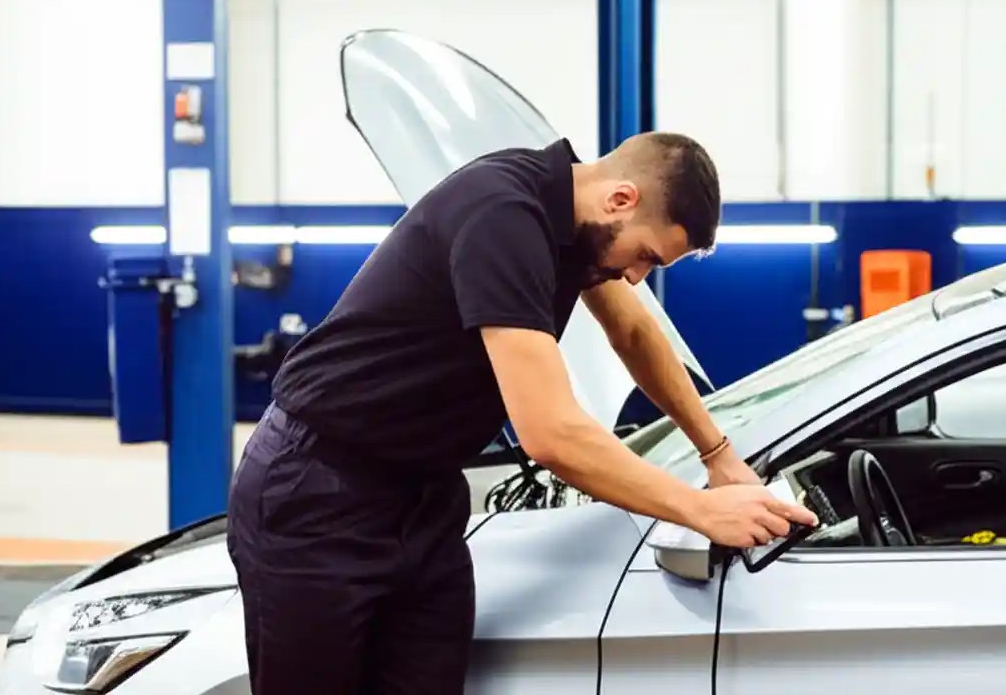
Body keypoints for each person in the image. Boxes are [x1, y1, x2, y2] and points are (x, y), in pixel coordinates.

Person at [225, 132, 819, 695]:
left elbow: (635, 333)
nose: (636, 276)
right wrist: (699, 511)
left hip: (424, 497)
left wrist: (718, 456)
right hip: (317, 490)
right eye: (645, 256)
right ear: (620, 199)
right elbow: (550, 435)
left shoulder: (578, 230)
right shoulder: (504, 216)